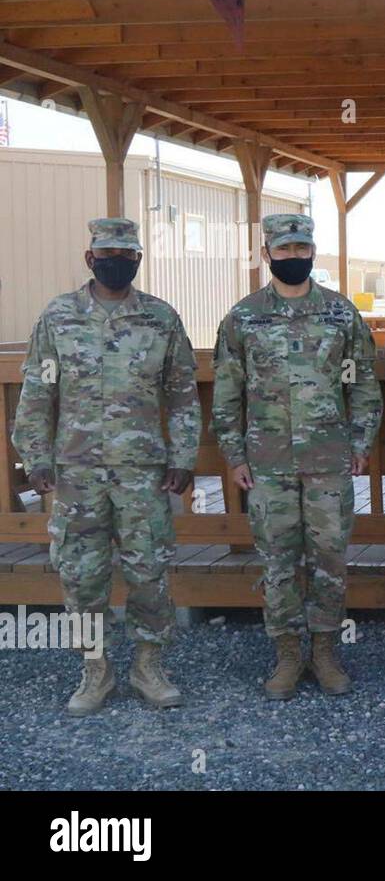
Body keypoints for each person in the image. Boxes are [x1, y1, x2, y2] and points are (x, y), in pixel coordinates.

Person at [12, 218, 199, 715]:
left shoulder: (160, 318)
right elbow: (37, 392)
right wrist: (34, 455)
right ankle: (95, 670)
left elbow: (182, 394)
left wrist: (183, 455)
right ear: (89, 257)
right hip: (77, 473)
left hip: (142, 471)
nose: (117, 261)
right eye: (107, 252)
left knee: (149, 570)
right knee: (81, 575)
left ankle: (148, 666)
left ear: (138, 260)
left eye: (128, 254)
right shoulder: (59, 316)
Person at [211, 214, 382, 699]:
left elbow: (363, 385)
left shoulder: (340, 314)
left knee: (329, 560)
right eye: (283, 250)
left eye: (301, 249)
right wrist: (234, 454)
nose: (293, 258)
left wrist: (360, 443)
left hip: (329, 461)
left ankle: (326, 652)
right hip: (267, 464)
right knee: (278, 563)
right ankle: (288, 654)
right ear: (267, 254)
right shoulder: (243, 317)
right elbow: (227, 393)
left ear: (313, 252)